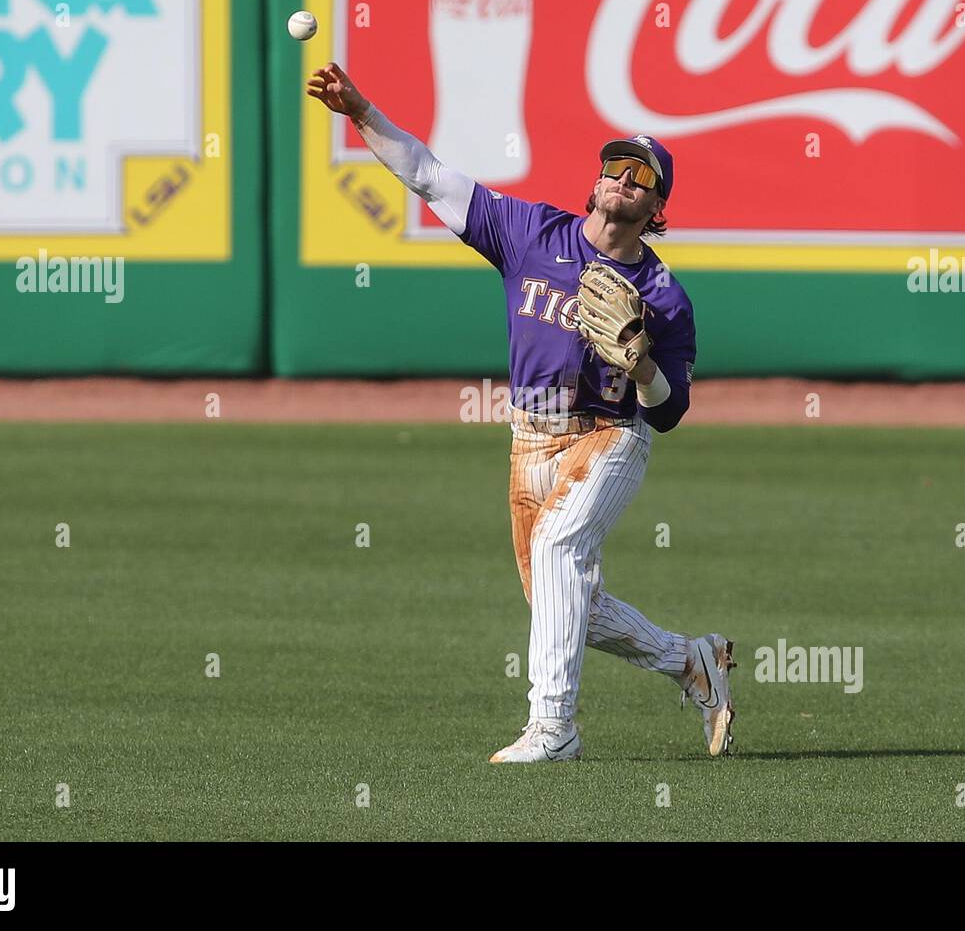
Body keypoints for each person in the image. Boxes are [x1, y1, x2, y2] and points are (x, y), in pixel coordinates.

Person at [307, 63, 735, 763]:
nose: (624, 177)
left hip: (610, 434)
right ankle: (691, 660)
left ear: (657, 209)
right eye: (615, 165)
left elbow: (670, 412)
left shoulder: (664, 298)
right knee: (562, 605)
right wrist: (361, 113)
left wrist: (644, 365)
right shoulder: (529, 232)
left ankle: (553, 728)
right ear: (595, 181)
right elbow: (429, 175)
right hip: (529, 437)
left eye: (642, 175)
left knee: (559, 549)